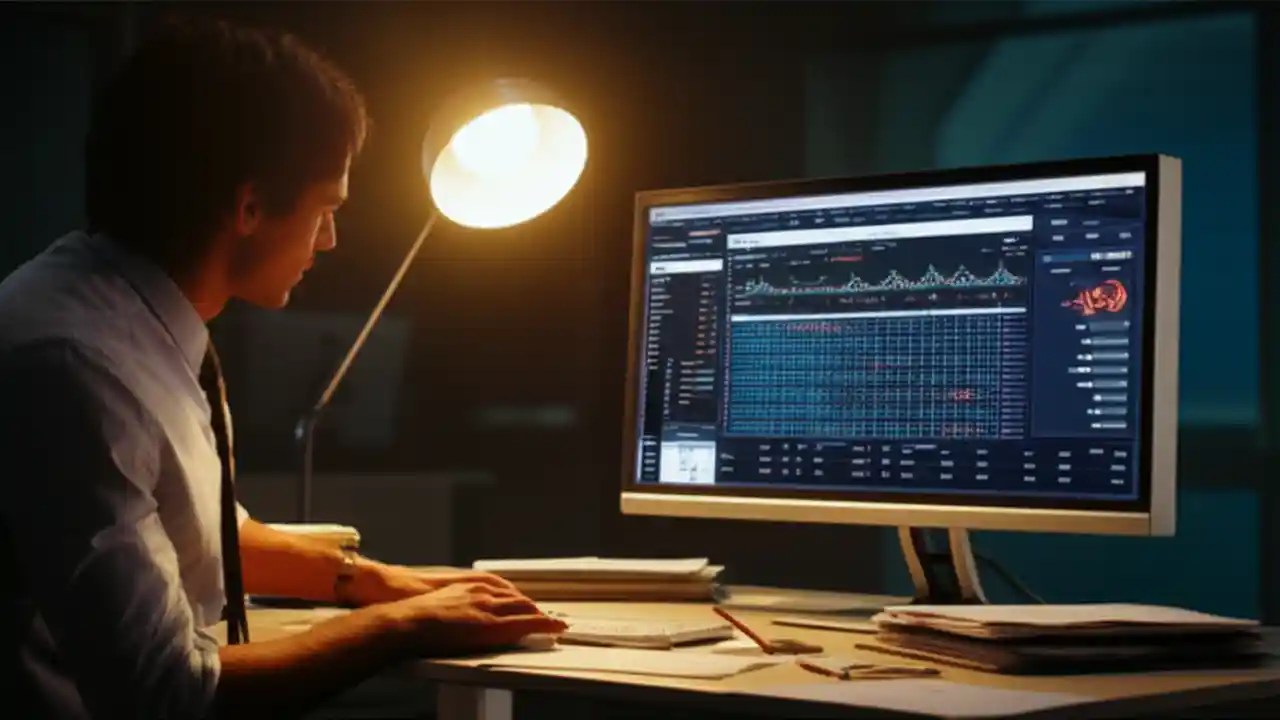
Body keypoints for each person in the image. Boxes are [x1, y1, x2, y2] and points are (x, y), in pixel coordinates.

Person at [0, 16, 564, 719]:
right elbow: (168, 692)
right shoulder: (74, 368)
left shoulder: (125, 310)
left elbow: (202, 524)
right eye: (327, 207)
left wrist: (378, 582)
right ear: (250, 206)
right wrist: (400, 627)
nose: (329, 238)